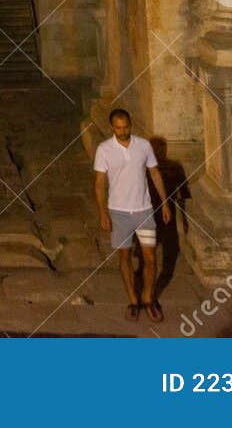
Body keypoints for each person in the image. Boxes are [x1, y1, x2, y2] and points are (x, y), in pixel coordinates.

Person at [93, 107, 171, 322]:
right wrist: (103, 213)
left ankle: (148, 298)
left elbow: (154, 173)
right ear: (112, 128)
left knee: (150, 258)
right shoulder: (104, 149)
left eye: (125, 127)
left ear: (130, 124)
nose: (122, 131)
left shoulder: (143, 146)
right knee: (125, 257)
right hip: (119, 213)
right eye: (118, 128)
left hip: (144, 210)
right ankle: (133, 301)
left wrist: (164, 203)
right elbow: (100, 184)